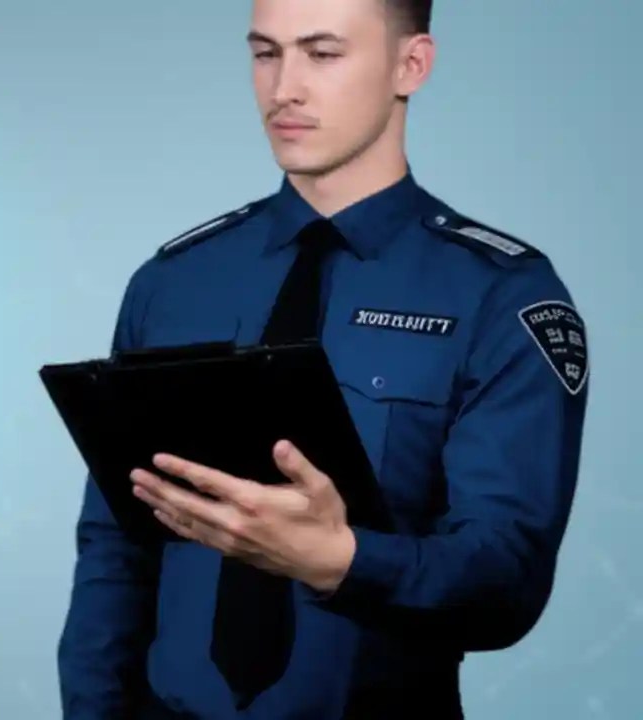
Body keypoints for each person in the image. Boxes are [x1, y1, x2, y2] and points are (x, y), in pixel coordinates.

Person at [55, 0, 590, 718]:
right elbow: (116, 550)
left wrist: (340, 561)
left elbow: (507, 578)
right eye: (265, 53)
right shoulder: (176, 282)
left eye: (323, 54)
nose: (284, 89)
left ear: (412, 65)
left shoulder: (500, 296)